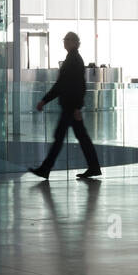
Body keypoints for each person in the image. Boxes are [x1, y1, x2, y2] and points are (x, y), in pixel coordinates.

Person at [29, 31, 102, 180]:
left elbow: (76, 85)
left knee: (60, 138)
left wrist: (76, 107)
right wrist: (46, 100)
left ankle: (45, 168)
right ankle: (93, 167)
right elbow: (64, 85)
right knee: (79, 138)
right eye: (64, 40)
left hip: (70, 107)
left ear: (74, 42)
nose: (65, 42)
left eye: (67, 40)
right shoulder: (72, 58)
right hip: (71, 106)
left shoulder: (74, 60)